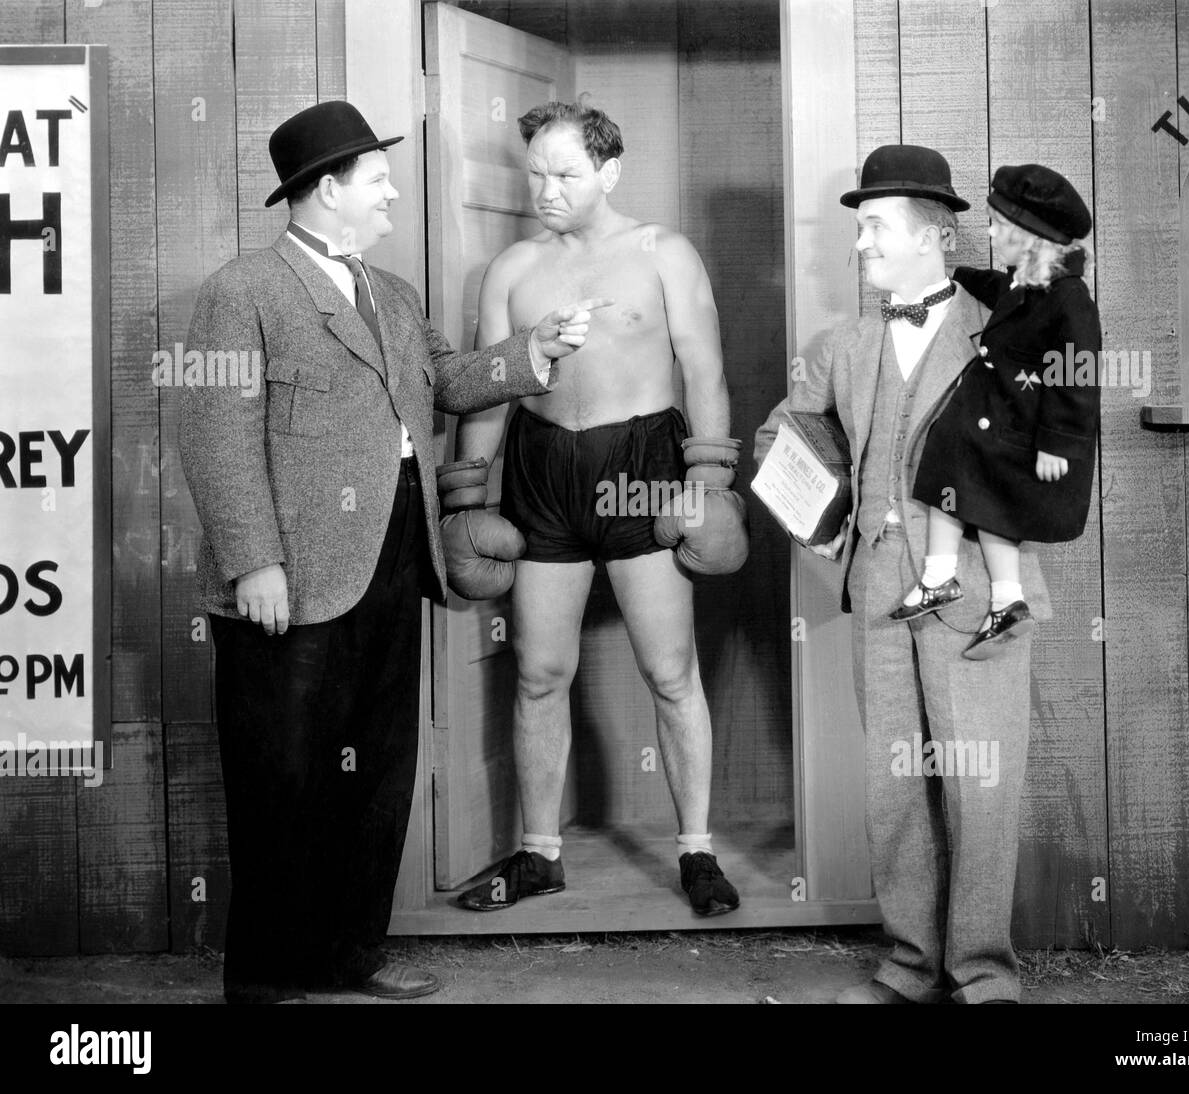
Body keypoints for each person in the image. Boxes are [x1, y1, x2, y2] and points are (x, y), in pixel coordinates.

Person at [179, 100, 603, 1003]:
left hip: (393, 563)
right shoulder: (241, 291)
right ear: (327, 189)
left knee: (375, 775)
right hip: (289, 578)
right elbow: (216, 438)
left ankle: (349, 958)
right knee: (279, 782)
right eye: (377, 181)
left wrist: (534, 350)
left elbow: (445, 383)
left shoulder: (392, 294)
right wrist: (256, 561)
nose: (391, 195)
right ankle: (265, 980)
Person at [754, 144, 1053, 1004]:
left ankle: (984, 972)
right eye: (858, 231)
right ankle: (910, 964)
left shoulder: (1006, 333)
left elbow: (1054, 446)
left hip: (977, 599)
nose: (861, 246)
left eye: (876, 228)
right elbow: (779, 440)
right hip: (881, 592)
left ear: (936, 238)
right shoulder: (842, 344)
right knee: (897, 785)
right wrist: (820, 524)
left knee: (980, 786)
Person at [448, 101, 748, 917]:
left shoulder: (663, 254)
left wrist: (711, 482)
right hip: (543, 474)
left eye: (566, 174)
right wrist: (463, 498)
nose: (546, 189)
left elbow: (707, 373)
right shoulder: (509, 271)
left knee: (670, 670)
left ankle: (696, 853)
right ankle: (539, 854)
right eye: (535, 173)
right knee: (541, 673)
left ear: (609, 173)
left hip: (642, 467)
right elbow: (486, 395)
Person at [899, 164, 1101, 659]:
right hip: (1000, 421)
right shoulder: (1025, 282)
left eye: (999, 227)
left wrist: (1059, 443)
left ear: (1031, 238)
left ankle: (966, 586)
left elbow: (1078, 374)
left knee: (977, 488)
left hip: (1025, 433)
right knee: (966, 481)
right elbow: (1000, 293)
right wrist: (958, 276)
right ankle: (966, 586)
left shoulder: (1069, 300)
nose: (989, 233)